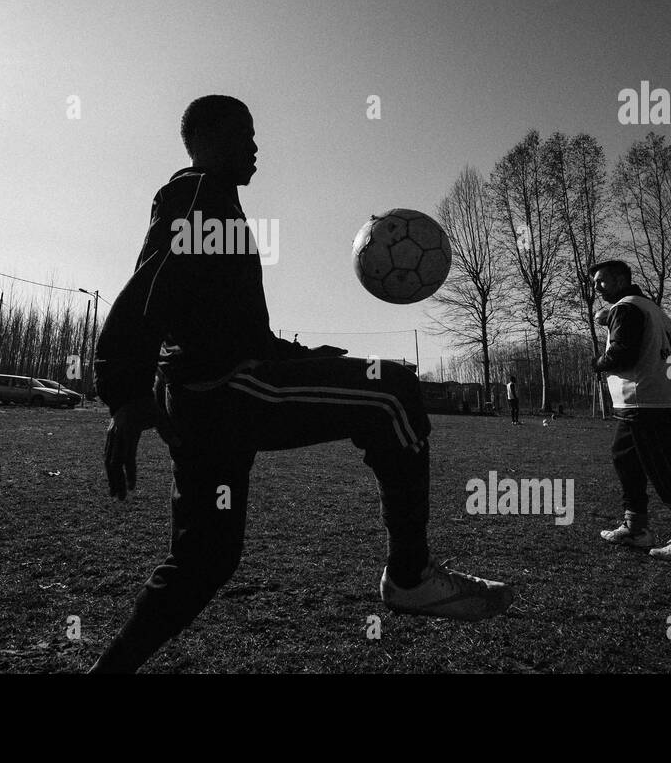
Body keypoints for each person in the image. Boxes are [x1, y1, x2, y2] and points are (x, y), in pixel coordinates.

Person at [90, 95, 513, 673]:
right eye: (246, 135)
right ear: (211, 139)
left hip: (206, 399)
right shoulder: (200, 196)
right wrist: (123, 393)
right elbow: (147, 292)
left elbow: (240, 331)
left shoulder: (214, 207)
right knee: (393, 392)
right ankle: (411, 576)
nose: (256, 148)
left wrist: (302, 355)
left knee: (205, 561)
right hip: (223, 392)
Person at [590, 260, 671, 563]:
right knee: (624, 457)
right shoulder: (655, 310)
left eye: (601, 281)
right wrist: (668, 388)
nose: (596, 287)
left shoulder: (627, 308)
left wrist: (597, 363)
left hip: (643, 401)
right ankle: (635, 528)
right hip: (650, 398)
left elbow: (621, 355)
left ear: (619, 280)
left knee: (663, 468)